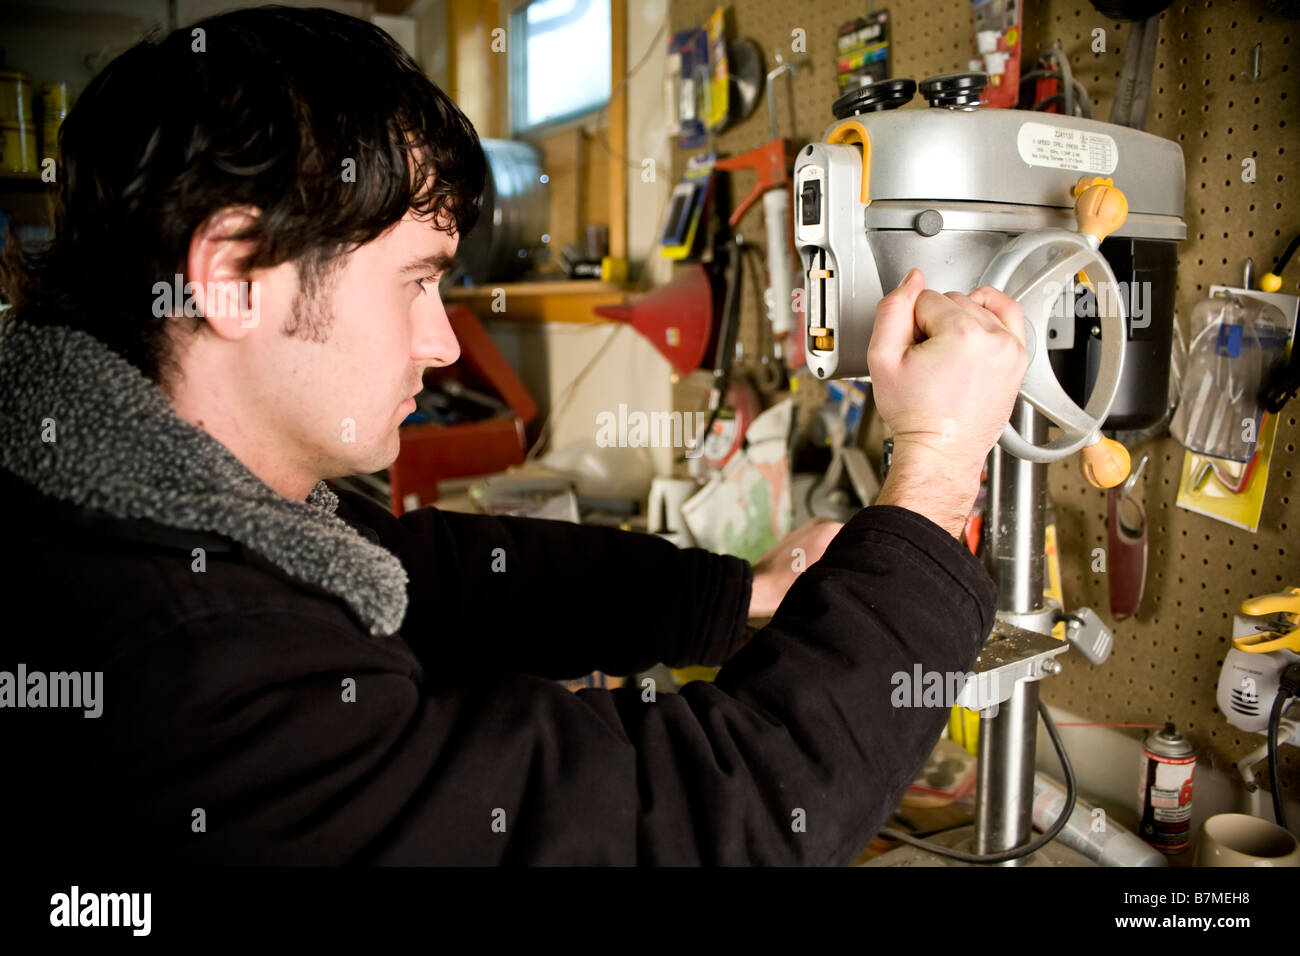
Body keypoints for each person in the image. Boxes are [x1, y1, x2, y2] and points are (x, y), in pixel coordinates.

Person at [0, 6, 1026, 865]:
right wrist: (935, 465)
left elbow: (439, 575)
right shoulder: (182, 665)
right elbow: (706, 826)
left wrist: (734, 595)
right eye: (415, 278)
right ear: (232, 276)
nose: (441, 341)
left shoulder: (134, 504)